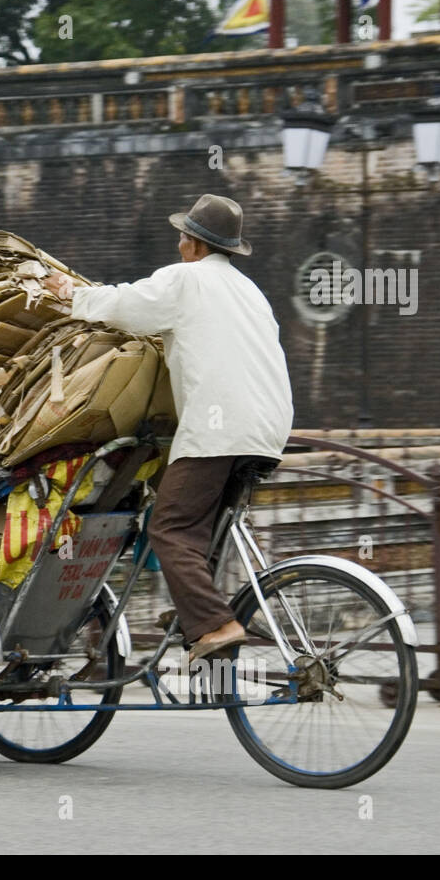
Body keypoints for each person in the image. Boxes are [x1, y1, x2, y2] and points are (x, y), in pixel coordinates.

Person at [42, 194, 294, 662]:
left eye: (183, 237)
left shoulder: (186, 280)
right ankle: (193, 616)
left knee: (169, 528)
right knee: (202, 530)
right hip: (268, 427)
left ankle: (216, 624)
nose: (179, 245)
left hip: (222, 426)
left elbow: (125, 305)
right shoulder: (249, 293)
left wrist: (69, 295)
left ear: (196, 244)